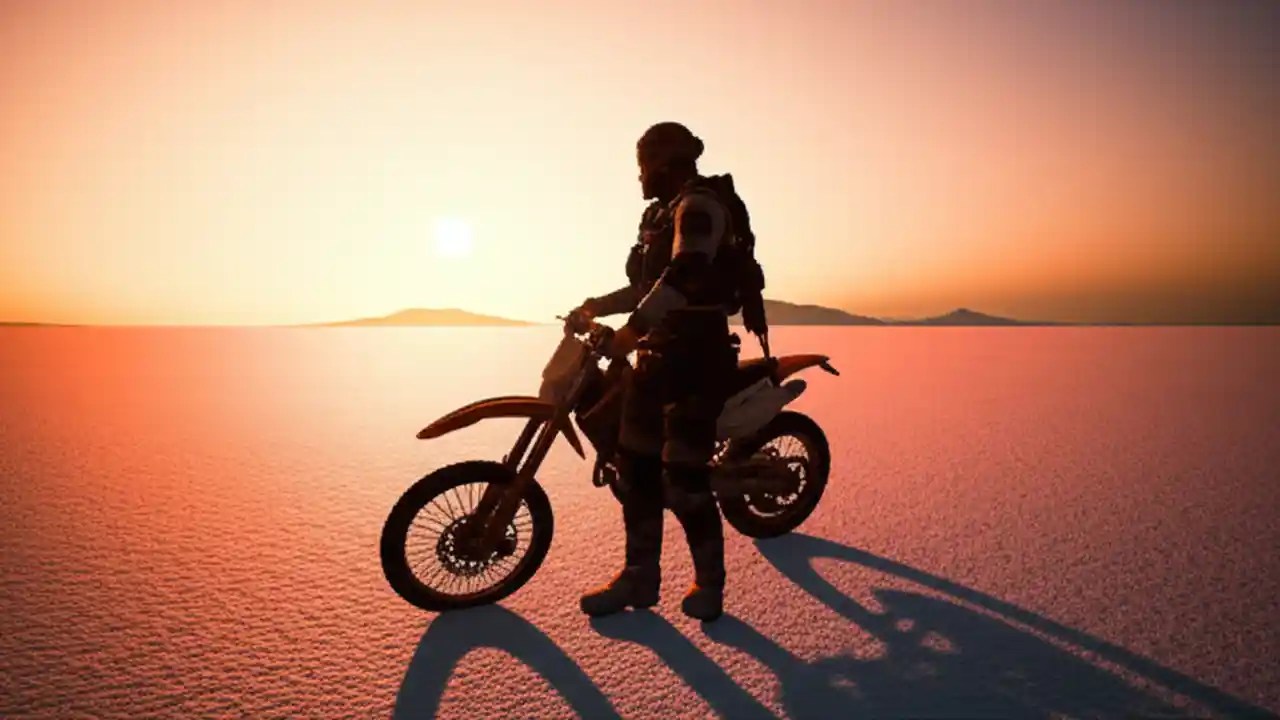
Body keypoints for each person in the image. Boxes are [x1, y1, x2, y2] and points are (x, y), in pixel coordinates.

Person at [571, 122, 740, 622]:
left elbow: (684, 276)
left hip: (698, 360)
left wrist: (629, 331)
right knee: (636, 471)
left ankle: (710, 584)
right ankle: (639, 577)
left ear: (665, 162)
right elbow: (649, 286)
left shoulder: (700, 207)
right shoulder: (660, 216)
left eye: (644, 164)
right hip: (657, 359)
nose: (640, 176)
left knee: (686, 480)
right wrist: (597, 306)